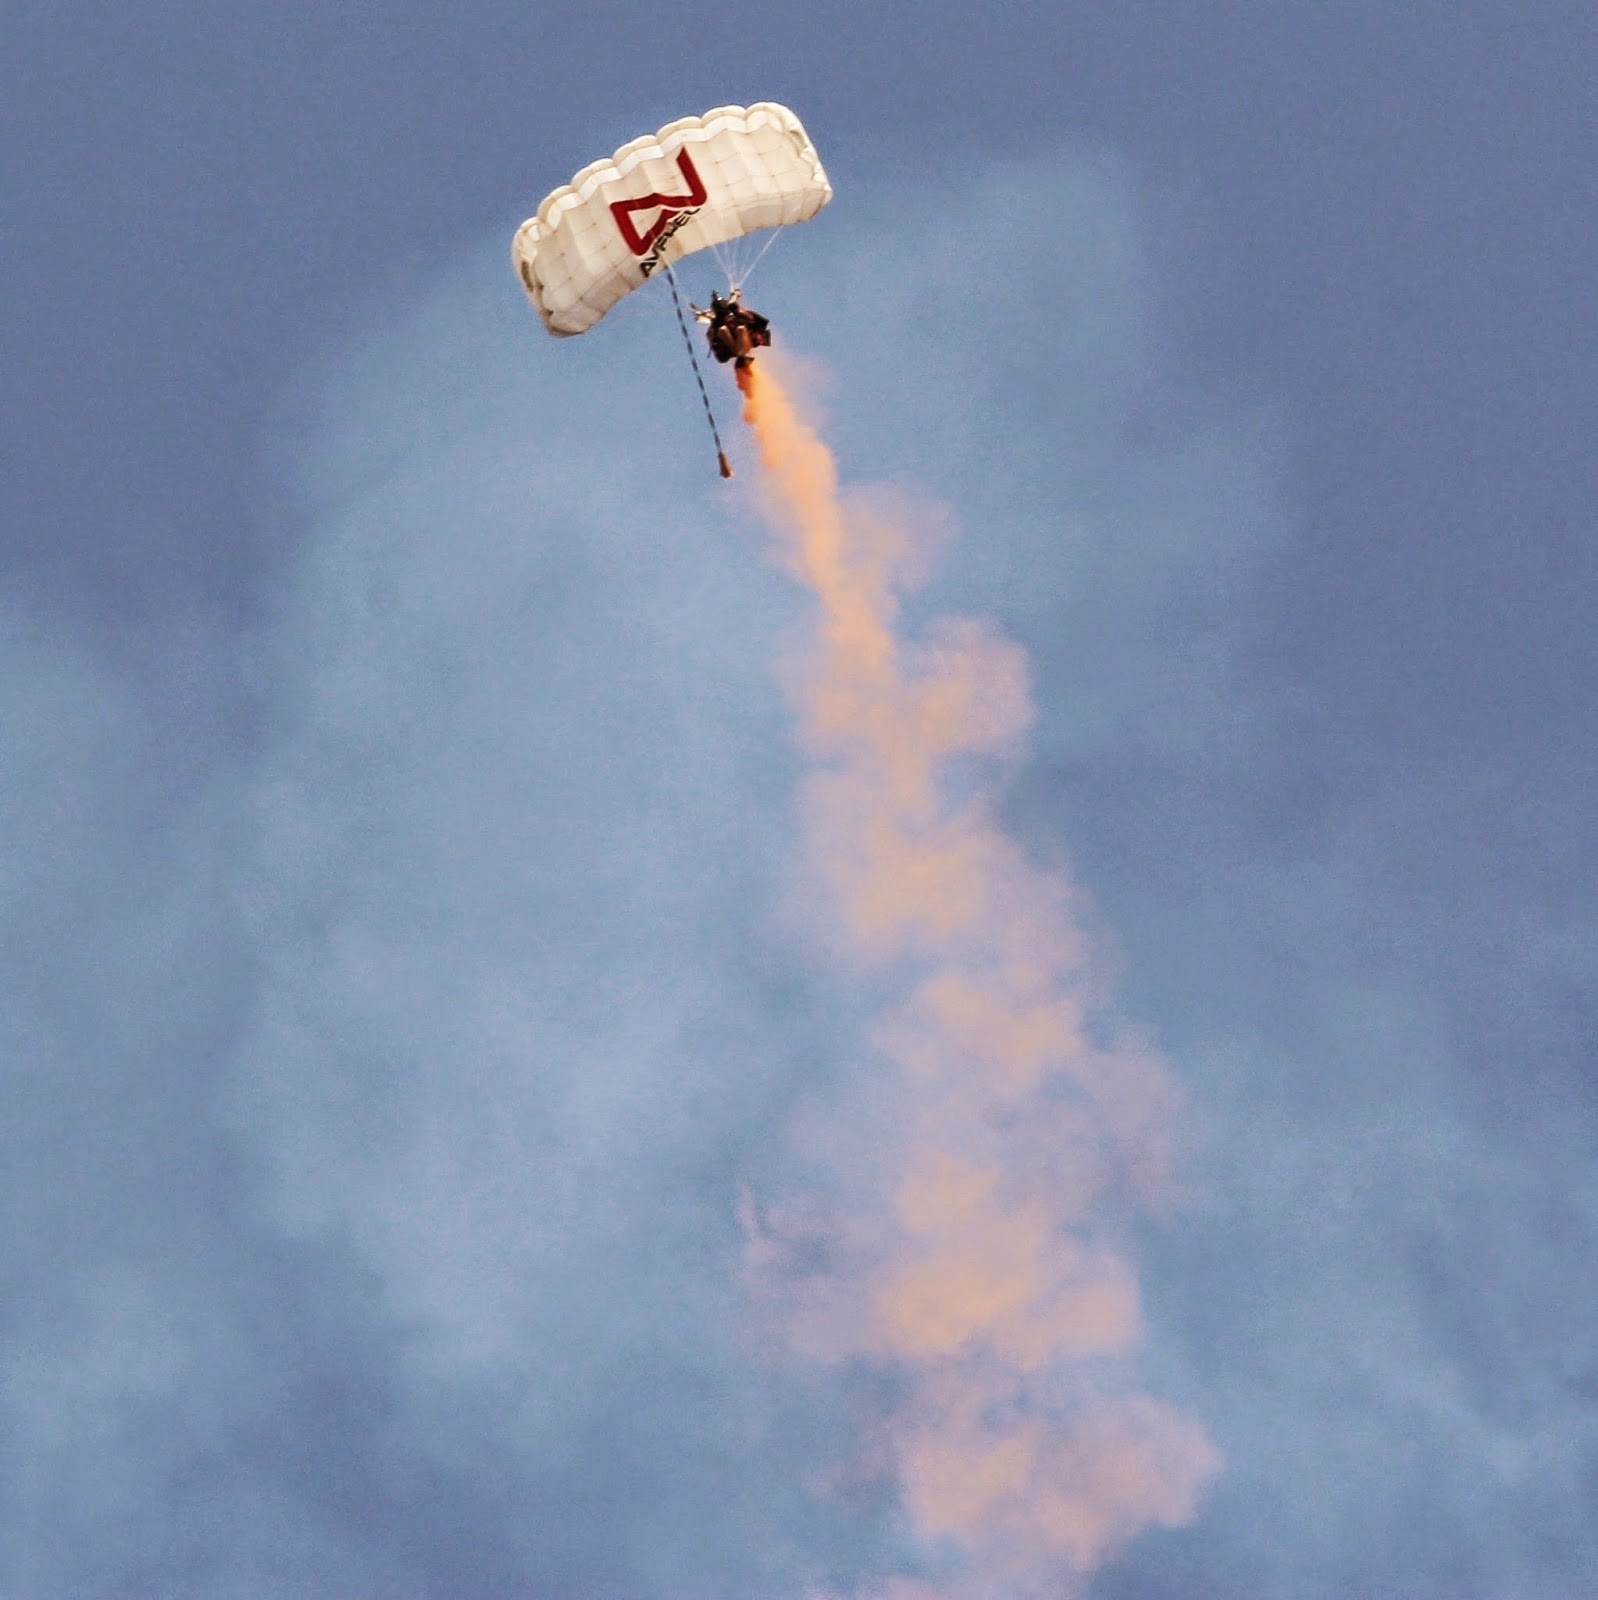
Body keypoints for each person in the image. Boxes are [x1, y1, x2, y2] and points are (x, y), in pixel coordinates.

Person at [695, 288, 772, 368]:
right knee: (722, 330)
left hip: (746, 341)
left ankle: (740, 354)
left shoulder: (738, 314)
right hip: (730, 349)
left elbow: (750, 319)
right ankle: (739, 355)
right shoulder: (715, 328)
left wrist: (738, 310)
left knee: (741, 329)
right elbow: (712, 339)